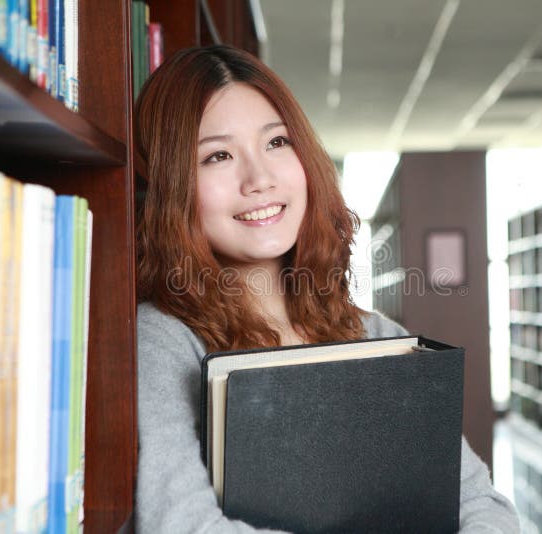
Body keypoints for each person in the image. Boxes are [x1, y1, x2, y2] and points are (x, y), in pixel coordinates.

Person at [135, 44, 519, 533]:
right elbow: (181, 524)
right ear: (173, 186)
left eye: (277, 143)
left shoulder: (378, 336)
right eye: (218, 155)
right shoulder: (162, 342)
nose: (259, 179)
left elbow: (483, 504)